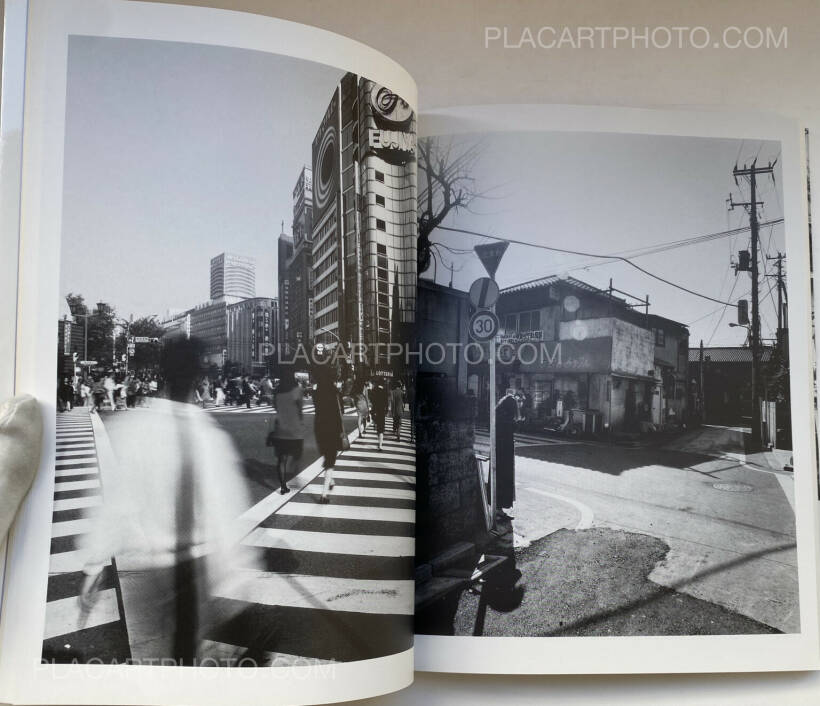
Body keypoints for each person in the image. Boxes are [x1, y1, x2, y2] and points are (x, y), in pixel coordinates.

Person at [77, 337, 259, 664]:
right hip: (197, 569)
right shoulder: (210, 437)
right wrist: (237, 584)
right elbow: (223, 515)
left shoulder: (137, 429)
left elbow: (118, 502)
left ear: (162, 372)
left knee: (155, 661)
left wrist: (93, 565)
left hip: (150, 571)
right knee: (184, 659)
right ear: (200, 378)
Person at [269, 368, 304, 494]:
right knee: (297, 456)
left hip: (280, 429)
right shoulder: (297, 390)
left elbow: (276, 407)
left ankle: (283, 485)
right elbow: (300, 410)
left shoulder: (277, 391)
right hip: (294, 429)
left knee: (281, 459)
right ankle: (295, 478)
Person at [313, 365, 344, 503]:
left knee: (327, 456)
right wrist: (340, 432)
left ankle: (330, 480)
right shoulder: (334, 392)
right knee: (330, 461)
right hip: (332, 429)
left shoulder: (317, 392)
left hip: (319, 428)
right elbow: (339, 412)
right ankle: (324, 495)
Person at [495, 388, 519, 520]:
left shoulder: (498, 414)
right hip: (505, 454)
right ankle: (499, 510)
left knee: (498, 478)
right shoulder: (507, 419)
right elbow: (513, 428)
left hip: (499, 452)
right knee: (505, 479)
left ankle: (498, 508)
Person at [369, 378, 389, 452]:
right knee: (381, 429)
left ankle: (378, 442)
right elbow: (386, 403)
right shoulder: (385, 391)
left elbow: (372, 401)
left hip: (375, 411)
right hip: (382, 412)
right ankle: (380, 445)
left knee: (378, 428)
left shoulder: (374, 390)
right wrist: (386, 411)